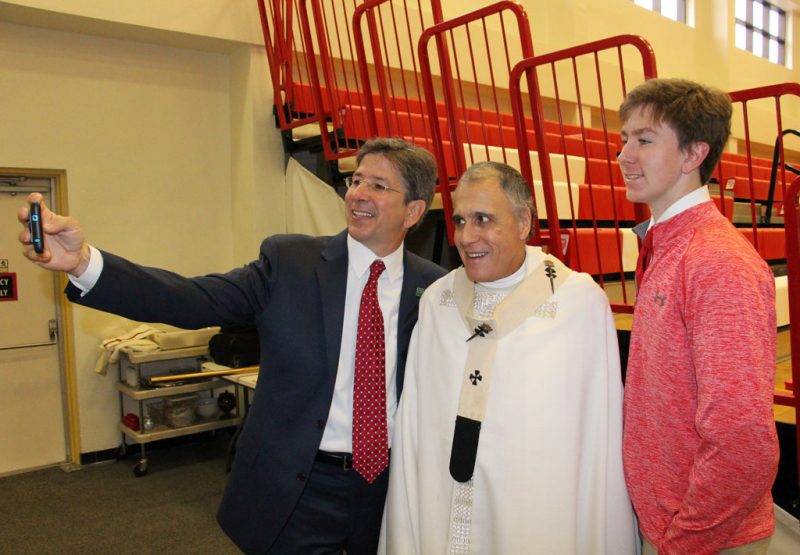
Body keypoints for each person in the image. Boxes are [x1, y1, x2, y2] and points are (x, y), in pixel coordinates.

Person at [17, 137, 446, 554]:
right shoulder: (290, 263)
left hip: (386, 489)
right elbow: (189, 297)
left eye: (378, 185)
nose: (358, 194)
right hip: (297, 483)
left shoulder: (435, 287)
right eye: (356, 181)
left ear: (413, 211)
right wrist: (82, 263)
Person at [379, 161, 636, 553]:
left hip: (536, 515)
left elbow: (596, 438)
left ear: (523, 222)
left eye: (483, 219)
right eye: (461, 220)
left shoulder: (576, 303)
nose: (466, 236)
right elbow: (416, 424)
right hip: (444, 506)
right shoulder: (438, 302)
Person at [620, 78, 779, 554]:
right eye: (624, 138)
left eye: (644, 140)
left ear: (693, 156)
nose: (625, 155)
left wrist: (681, 542)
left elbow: (743, 440)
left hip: (703, 538)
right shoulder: (666, 244)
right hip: (674, 526)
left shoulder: (716, 261)